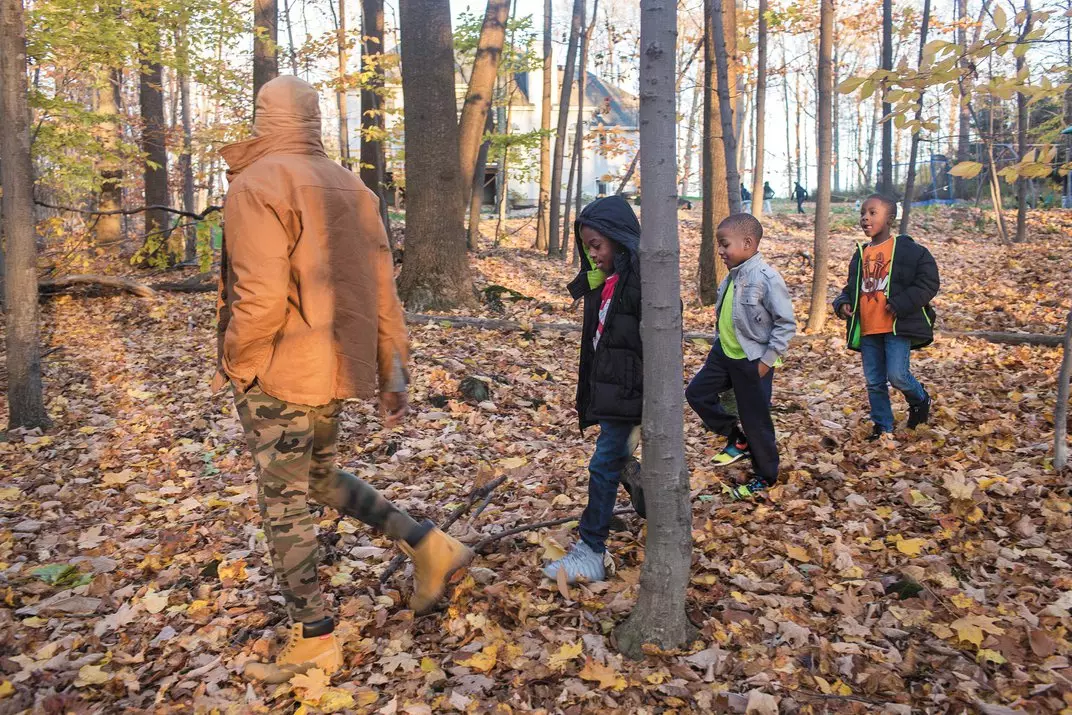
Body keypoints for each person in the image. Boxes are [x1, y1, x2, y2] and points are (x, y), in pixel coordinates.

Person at [214, 76, 473, 683]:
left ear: (265, 116)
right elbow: (385, 294)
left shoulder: (257, 184)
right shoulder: (353, 186)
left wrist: (239, 362)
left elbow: (259, 298)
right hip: (334, 365)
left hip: (279, 367)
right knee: (319, 477)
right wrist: (393, 373)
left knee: (283, 504)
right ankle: (429, 544)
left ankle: (315, 640)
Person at [543, 195, 644, 584]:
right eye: (587, 247)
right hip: (612, 392)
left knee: (602, 465)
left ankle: (592, 550)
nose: (593, 254)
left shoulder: (639, 280)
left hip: (629, 394)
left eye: (597, 246)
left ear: (619, 239)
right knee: (612, 462)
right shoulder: (609, 279)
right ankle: (639, 484)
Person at [685, 214, 797, 499]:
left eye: (725, 245)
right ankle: (736, 438)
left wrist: (766, 361)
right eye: (719, 245)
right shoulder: (731, 277)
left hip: (752, 360)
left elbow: (786, 323)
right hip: (723, 354)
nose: (720, 251)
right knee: (696, 393)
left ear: (747, 243)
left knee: (756, 421)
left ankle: (765, 476)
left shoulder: (766, 278)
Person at [833, 194, 938, 440]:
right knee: (874, 382)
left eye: (872, 213)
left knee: (898, 376)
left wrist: (901, 303)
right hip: (869, 328)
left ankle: (919, 398)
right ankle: (883, 426)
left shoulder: (909, 250)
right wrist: (843, 304)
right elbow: (850, 288)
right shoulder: (860, 254)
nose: (865, 218)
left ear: (890, 219)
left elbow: (929, 282)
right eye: (863, 213)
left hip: (895, 327)